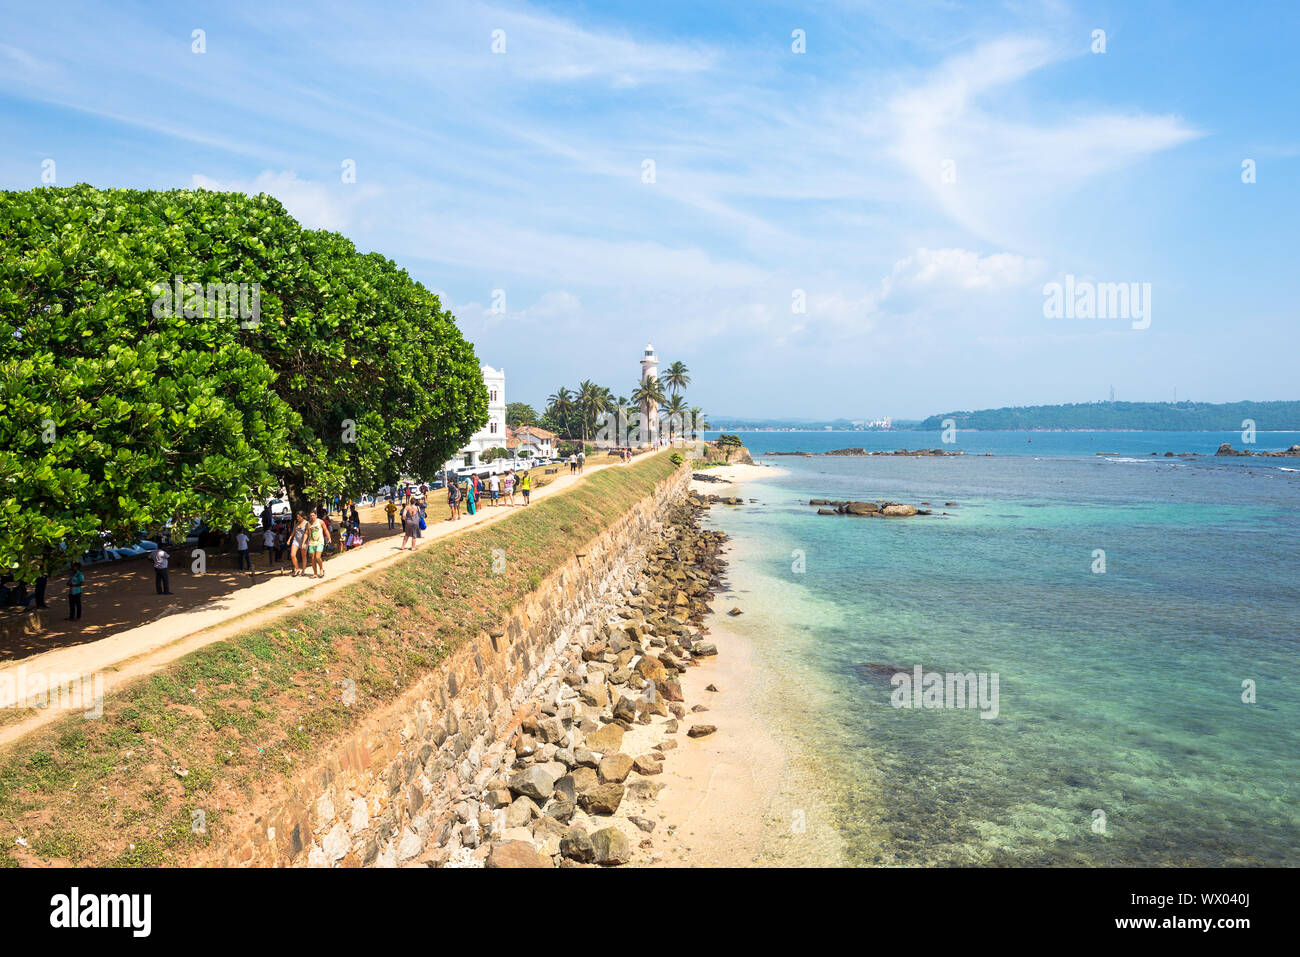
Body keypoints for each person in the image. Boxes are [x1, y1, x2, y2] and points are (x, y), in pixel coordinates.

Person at [306, 511, 326, 577]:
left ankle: (321, 569)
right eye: (311, 516)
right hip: (312, 542)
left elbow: (325, 530)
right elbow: (307, 533)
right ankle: (315, 573)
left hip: (320, 541)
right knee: (312, 558)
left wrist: (329, 538)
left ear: (316, 515)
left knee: (317, 557)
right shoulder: (308, 524)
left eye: (313, 515)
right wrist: (304, 542)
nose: (312, 517)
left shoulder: (320, 522)